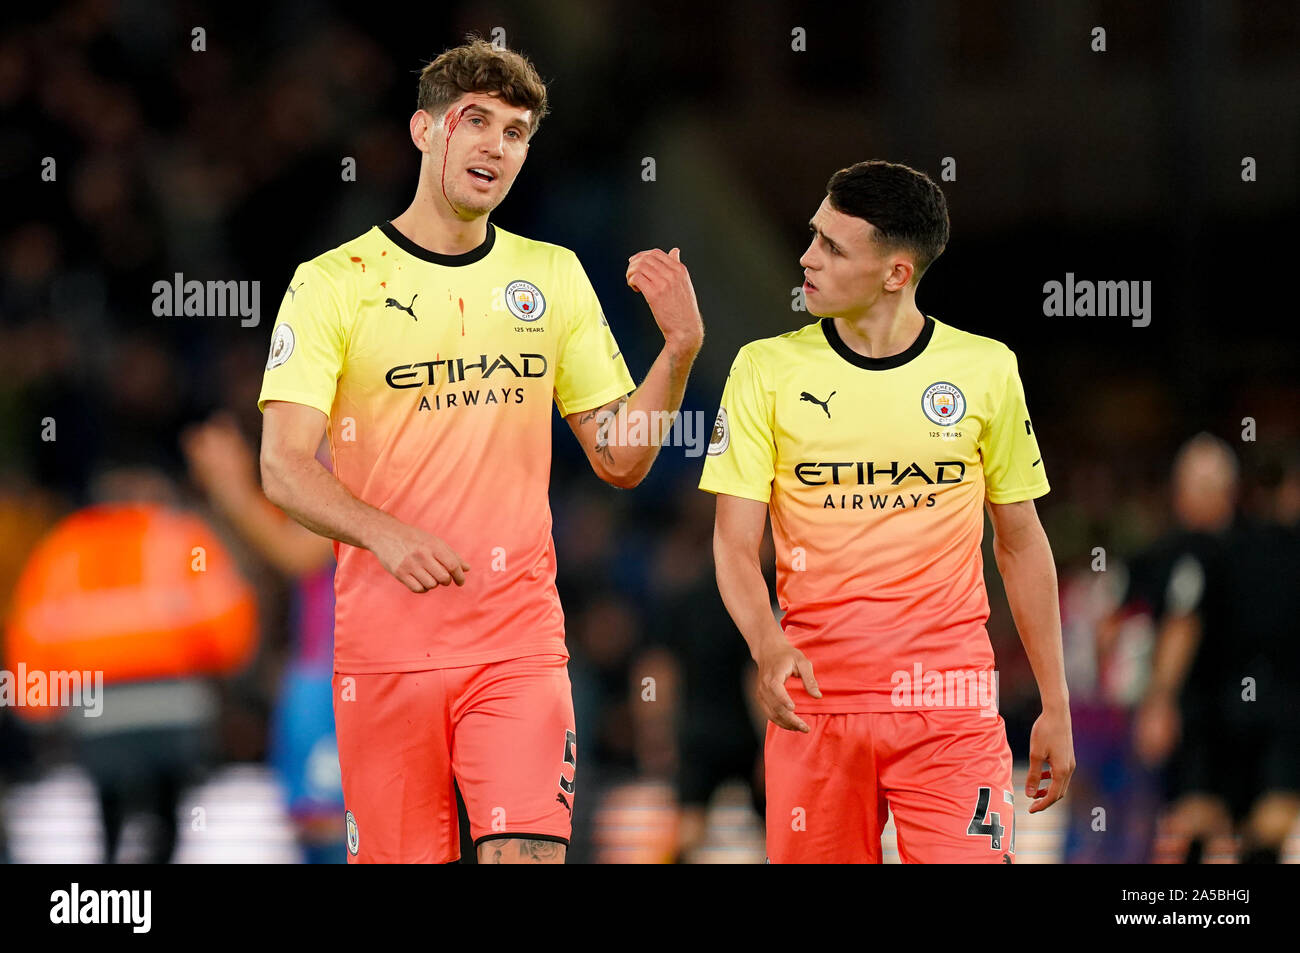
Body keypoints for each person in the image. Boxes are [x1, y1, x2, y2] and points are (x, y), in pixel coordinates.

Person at [256, 38, 703, 864]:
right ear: (426, 130)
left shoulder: (554, 276)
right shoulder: (333, 282)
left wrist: (675, 355)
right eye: (478, 122)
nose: (498, 145)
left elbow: (619, 456)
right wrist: (385, 532)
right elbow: (282, 465)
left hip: (516, 644)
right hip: (384, 657)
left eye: (518, 131)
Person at [702, 160, 1075, 863]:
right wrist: (766, 640)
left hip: (950, 712)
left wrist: (1056, 703)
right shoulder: (764, 369)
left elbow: (1021, 544)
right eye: (813, 235)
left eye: (834, 248)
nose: (807, 258)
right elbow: (732, 545)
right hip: (817, 708)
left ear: (896, 273)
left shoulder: (985, 370)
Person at [1135, 435, 1300, 862]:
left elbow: (1182, 623)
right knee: (1266, 822)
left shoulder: (1189, 551)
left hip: (1208, 716)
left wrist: (1159, 699)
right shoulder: (1271, 542)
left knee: (1193, 820)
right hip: (1271, 709)